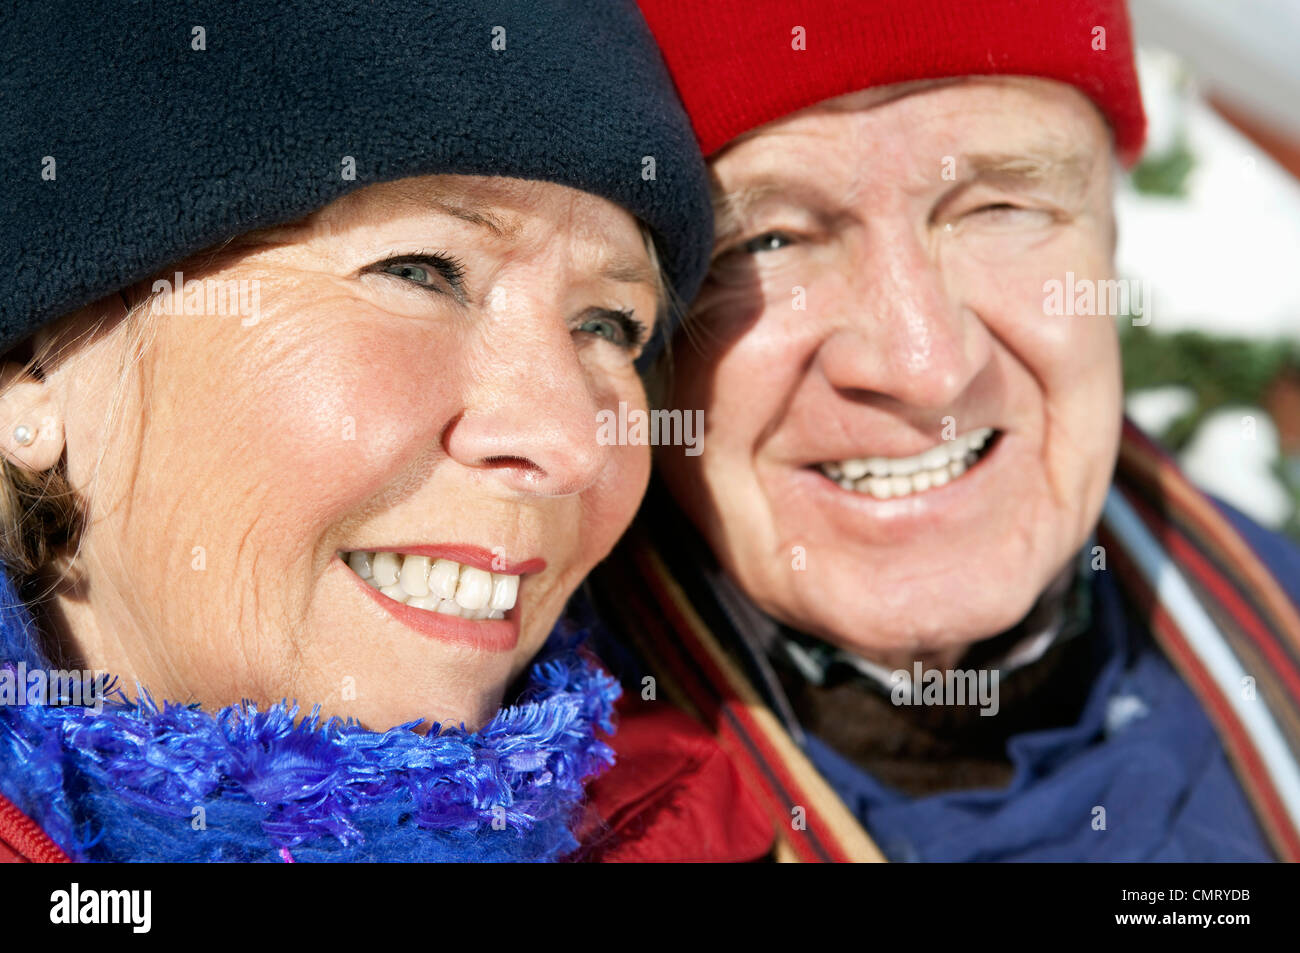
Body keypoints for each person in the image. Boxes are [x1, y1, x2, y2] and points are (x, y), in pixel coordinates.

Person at [0, 0, 737, 863]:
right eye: (421, 271)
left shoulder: (702, 827)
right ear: (36, 369)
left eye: (609, 325)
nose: (570, 441)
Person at [587, 0, 1300, 861]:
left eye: (1001, 208)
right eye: (767, 239)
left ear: (1110, 242)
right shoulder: (526, 806)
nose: (926, 365)